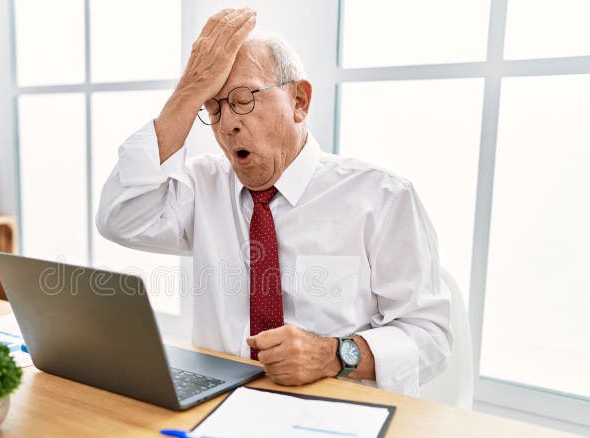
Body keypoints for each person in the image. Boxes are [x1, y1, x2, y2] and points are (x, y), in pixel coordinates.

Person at [96, 8, 451, 396]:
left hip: (333, 409)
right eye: (213, 108)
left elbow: (430, 337)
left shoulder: (382, 196)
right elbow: (120, 216)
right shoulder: (202, 186)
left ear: (299, 100)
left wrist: (334, 354)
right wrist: (189, 90)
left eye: (243, 99)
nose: (227, 124)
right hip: (218, 403)